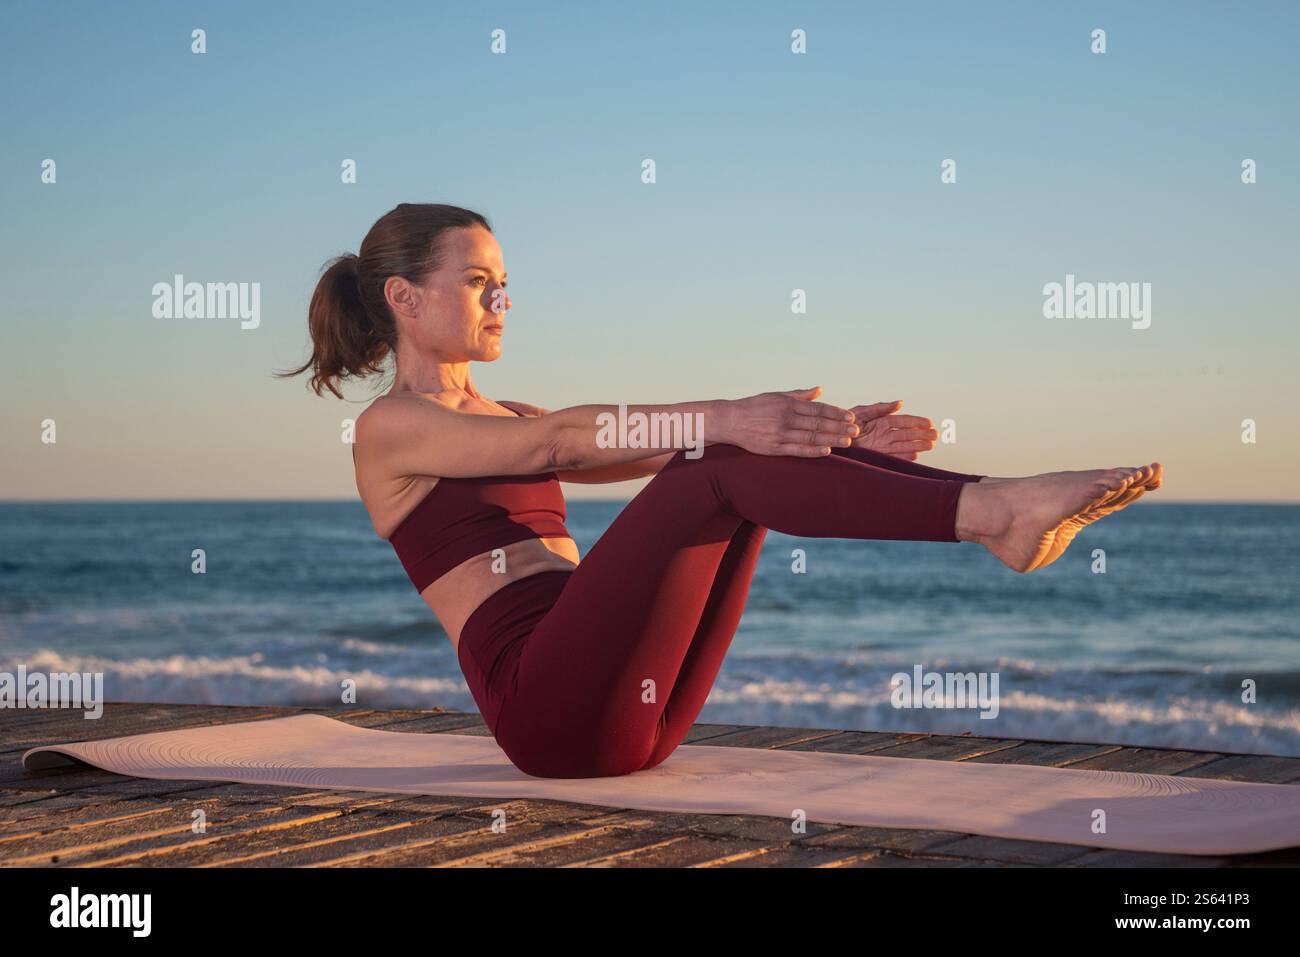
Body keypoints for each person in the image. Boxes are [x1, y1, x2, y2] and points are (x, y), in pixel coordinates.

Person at [281, 202, 1162, 779]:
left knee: (722, 464)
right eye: (478, 282)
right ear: (403, 296)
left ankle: (989, 504)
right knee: (718, 452)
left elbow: (661, 459)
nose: (502, 298)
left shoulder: (508, 410)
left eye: (504, 282)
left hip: (640, 721)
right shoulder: (390, 428)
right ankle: (995, 513)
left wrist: (837, 437)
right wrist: (732, 416)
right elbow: (560, 440)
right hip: (545, 713)